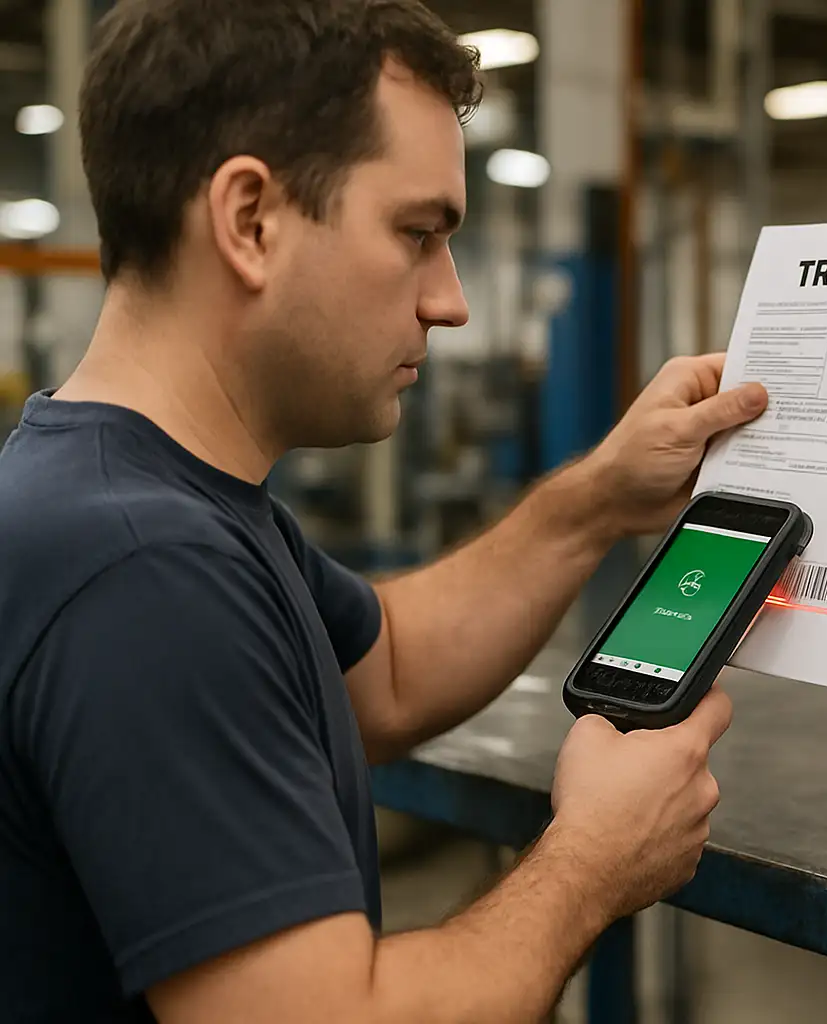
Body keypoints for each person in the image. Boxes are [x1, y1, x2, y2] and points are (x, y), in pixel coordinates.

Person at [0, 1, 770, 1021]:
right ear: (250, 221)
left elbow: (391, 670)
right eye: (417, 233)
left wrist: (597, 500)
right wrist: (592, 860)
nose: (449, 300)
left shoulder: (145, 497)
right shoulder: (147, 572)